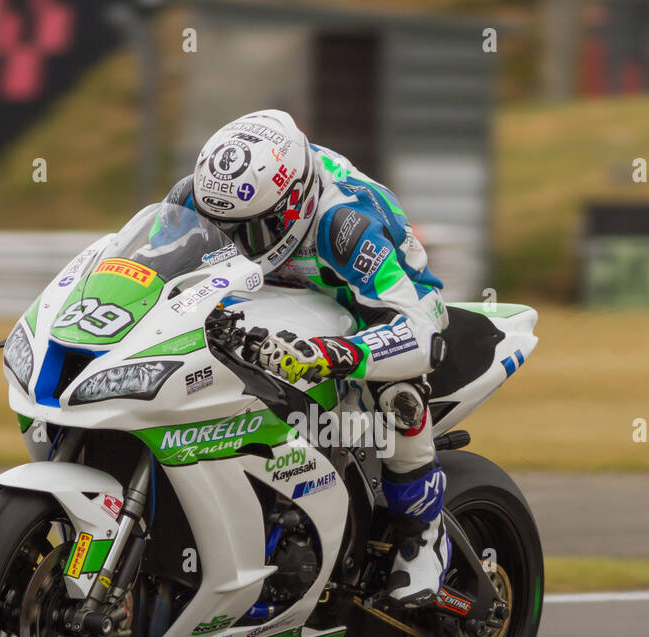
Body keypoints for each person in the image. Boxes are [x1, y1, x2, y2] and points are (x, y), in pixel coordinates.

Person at [164, 108, 450, 607]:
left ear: (293, 204)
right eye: (220, 229)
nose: (231, 243)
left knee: (397, 393)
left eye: (245, 232)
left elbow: (421, 332)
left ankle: (423, 538)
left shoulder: (344, 224)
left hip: (373, 305)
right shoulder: (197, 197)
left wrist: (337, 354)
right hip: (270, 294)